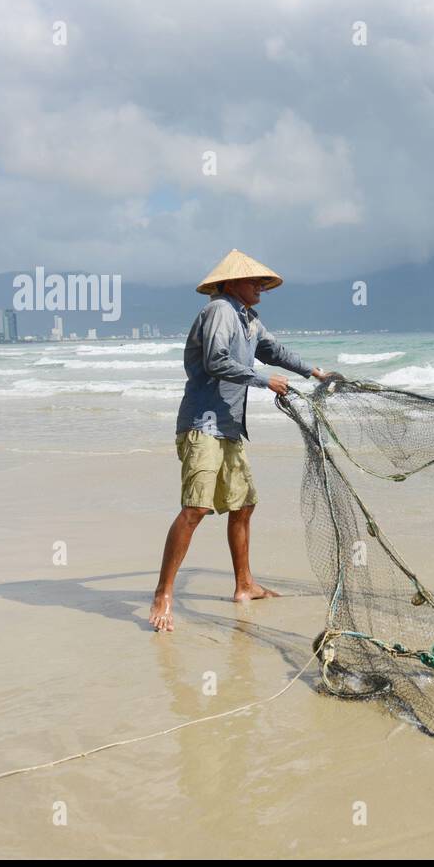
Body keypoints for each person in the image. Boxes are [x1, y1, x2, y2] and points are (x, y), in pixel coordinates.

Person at [149, 249, 335, 632]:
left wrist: (311, 371)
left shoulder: (248, 319)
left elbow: (272, 351)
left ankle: (245, 584)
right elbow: (217, 361)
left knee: (244, 505)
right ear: (232, 283)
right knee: (196, 509)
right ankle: (163, 593)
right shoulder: (219, 311)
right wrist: (264, 380)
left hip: (230, 427)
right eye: (255, 283)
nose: (261, 290)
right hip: (203, 425)